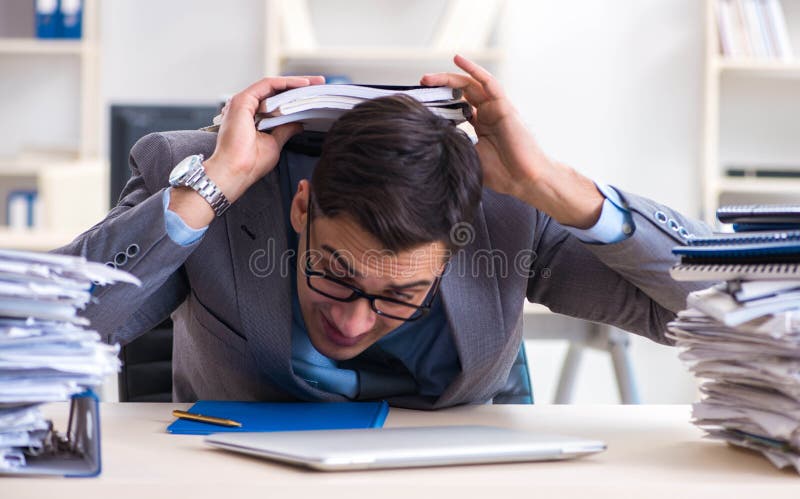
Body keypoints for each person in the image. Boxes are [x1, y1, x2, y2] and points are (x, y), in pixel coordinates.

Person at [56, 56, 710, 407]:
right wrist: (213, 185)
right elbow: (38, 335)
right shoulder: (197, 177)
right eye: (336, 273)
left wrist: (567, 192)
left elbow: (727, 313)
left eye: (401, 294)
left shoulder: (506, 212)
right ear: (301, 207)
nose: (353, 320)